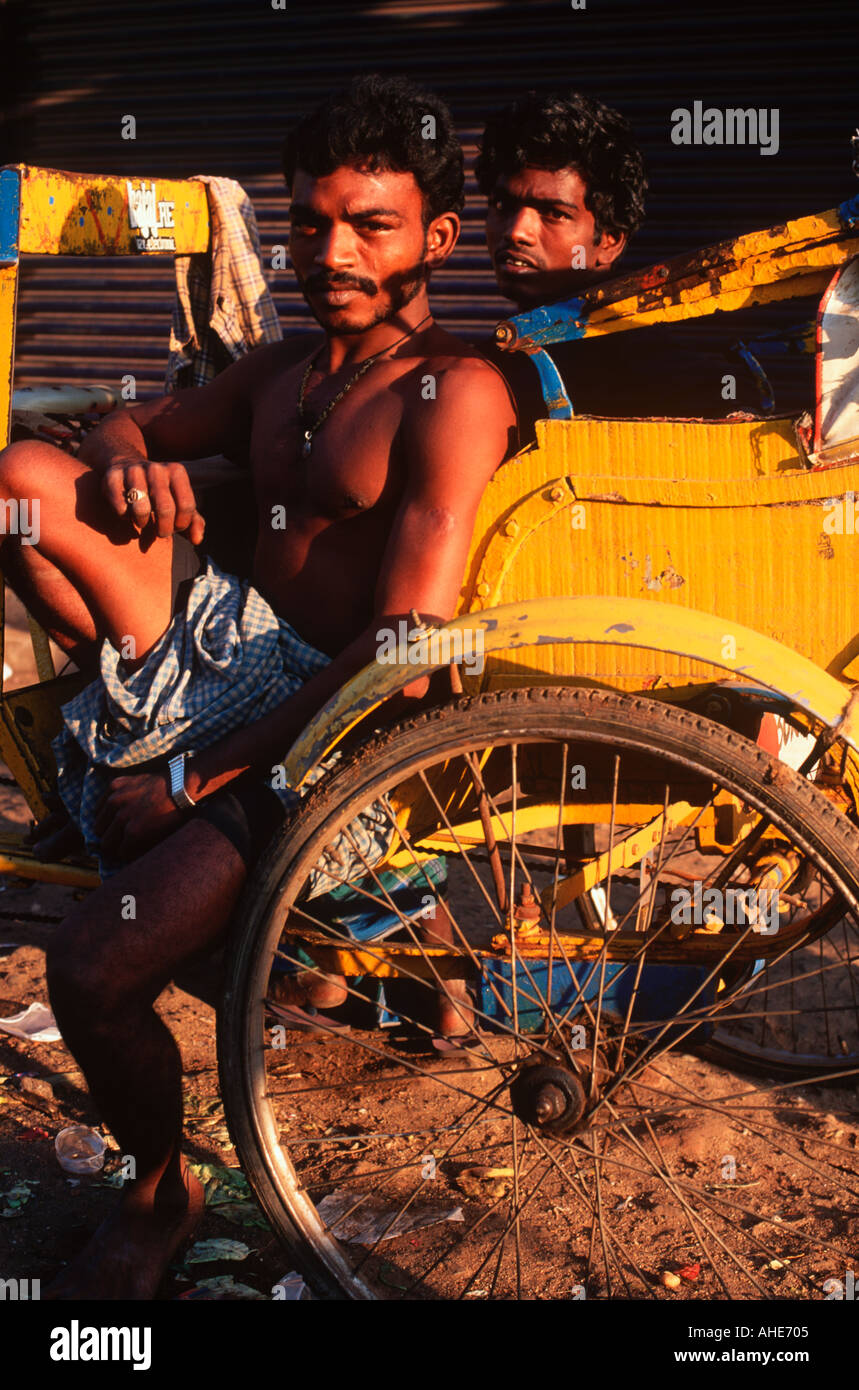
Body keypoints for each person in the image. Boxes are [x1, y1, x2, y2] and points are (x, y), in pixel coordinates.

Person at [0, 73, 516, 1299]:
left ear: (436, 239)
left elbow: (403, 644)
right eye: (311, 221)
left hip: (319, 737)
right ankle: (150, 823)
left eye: (370, 226)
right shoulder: (285, 373)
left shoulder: (455, 389)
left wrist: (198, 781)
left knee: (91, 967)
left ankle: (158, 1186)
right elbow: (129, 425)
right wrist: (138, 469)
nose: (332, 253)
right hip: (214, 657)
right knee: (20, 472)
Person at [476, 90, 806, 435]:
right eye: (503, 206)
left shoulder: (670, 381)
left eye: (555, 214)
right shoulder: (493, 361)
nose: (516, 231)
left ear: (610, 241)